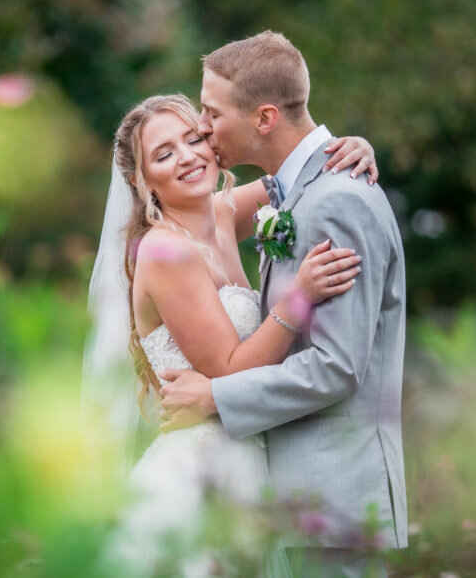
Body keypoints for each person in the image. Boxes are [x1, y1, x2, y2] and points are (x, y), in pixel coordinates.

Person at [88, 93, 377, 576]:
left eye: (194, 138)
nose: (187, 156)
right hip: (199, 472)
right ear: (141, 182)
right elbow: (228, 371)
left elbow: (300, 170)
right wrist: (296, 298)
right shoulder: (166, 252)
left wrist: (354, 148)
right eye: (164, 154)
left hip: (247, 460)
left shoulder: (221, 214)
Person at [159, 31, 408, 577]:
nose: (201, 128)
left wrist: (216, 397)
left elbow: (338, 365)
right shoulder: (294, 191)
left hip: (333, 498)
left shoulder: (337, 199)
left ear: (265, 118)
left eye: (211, 112)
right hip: (296, 500)